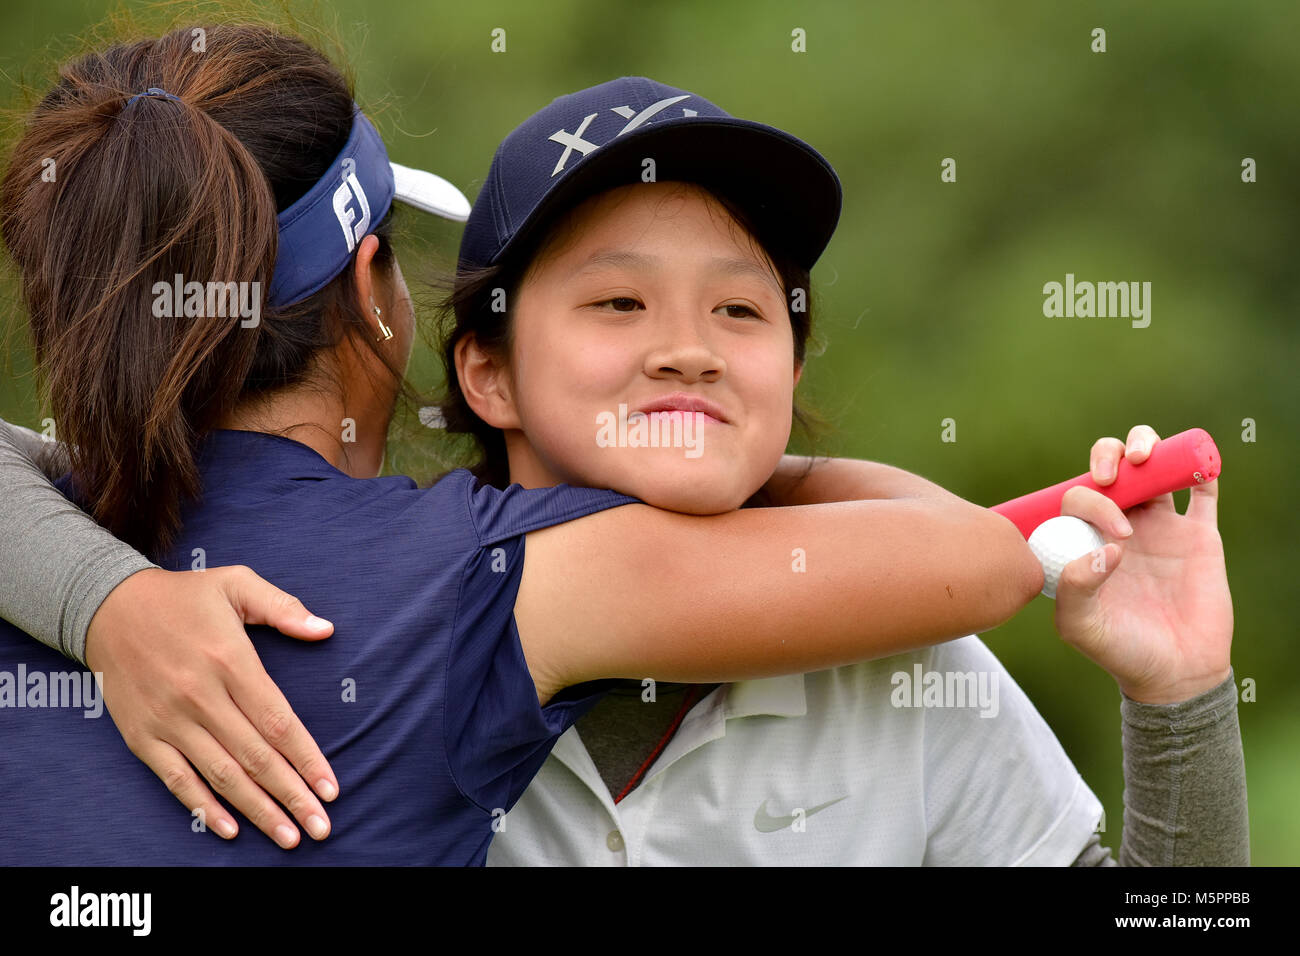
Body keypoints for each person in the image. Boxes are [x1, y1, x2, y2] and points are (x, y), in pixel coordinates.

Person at [0, 35, 1048, 865]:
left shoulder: (41, 533)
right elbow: (987, 556)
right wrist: (747, 462)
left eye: (738, 308)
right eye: (618, 302)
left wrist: (99, 597)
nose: (688, 350)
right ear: (375, 300)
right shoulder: (485, 576)